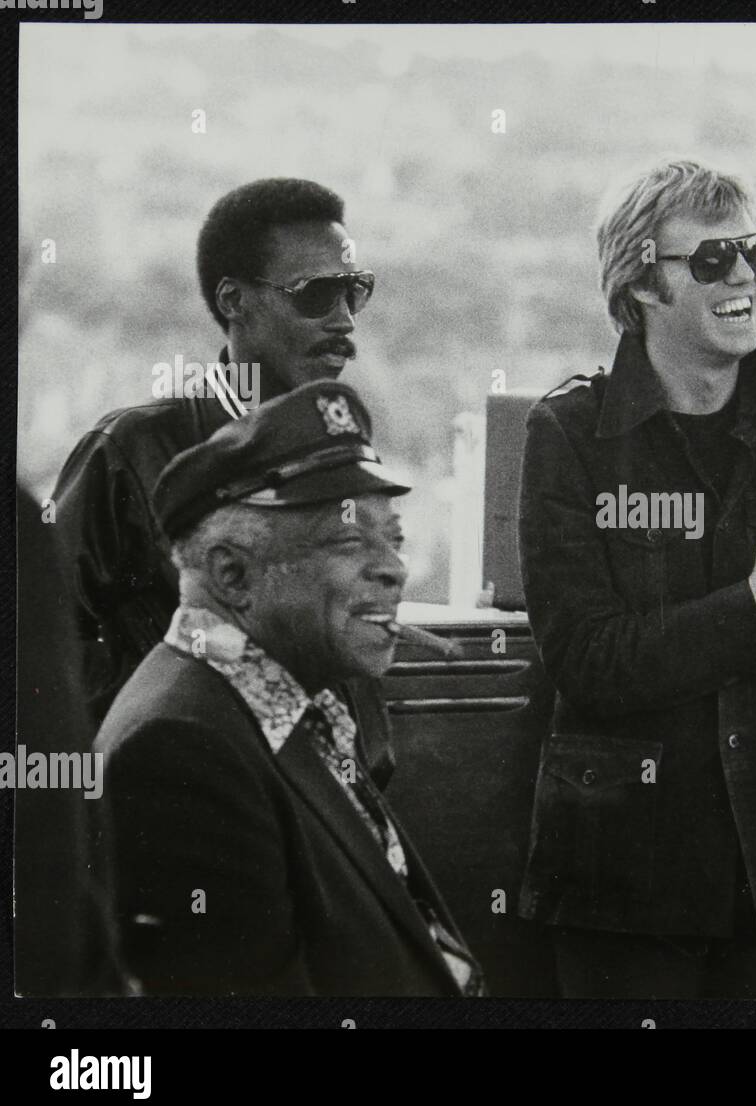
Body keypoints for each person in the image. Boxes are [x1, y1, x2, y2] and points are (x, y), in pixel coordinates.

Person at [516, 159, 756, 999]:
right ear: (642, 284)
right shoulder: (570, 432)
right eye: (715, 260)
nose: (747, 276)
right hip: (625, 887)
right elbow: (588, 660)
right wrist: (752, 601)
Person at [98, 381, 482, 996]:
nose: (394, 568)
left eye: (395, 538)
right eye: (350, 541)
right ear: (232, 572)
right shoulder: (179, 753)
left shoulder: (290, 703)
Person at [51, 178, 386, 755]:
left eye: (354, 292)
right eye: (316, 295)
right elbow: (45, 646)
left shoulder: (342, 455)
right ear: (233, 301)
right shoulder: (129, 450)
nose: (344, 321)